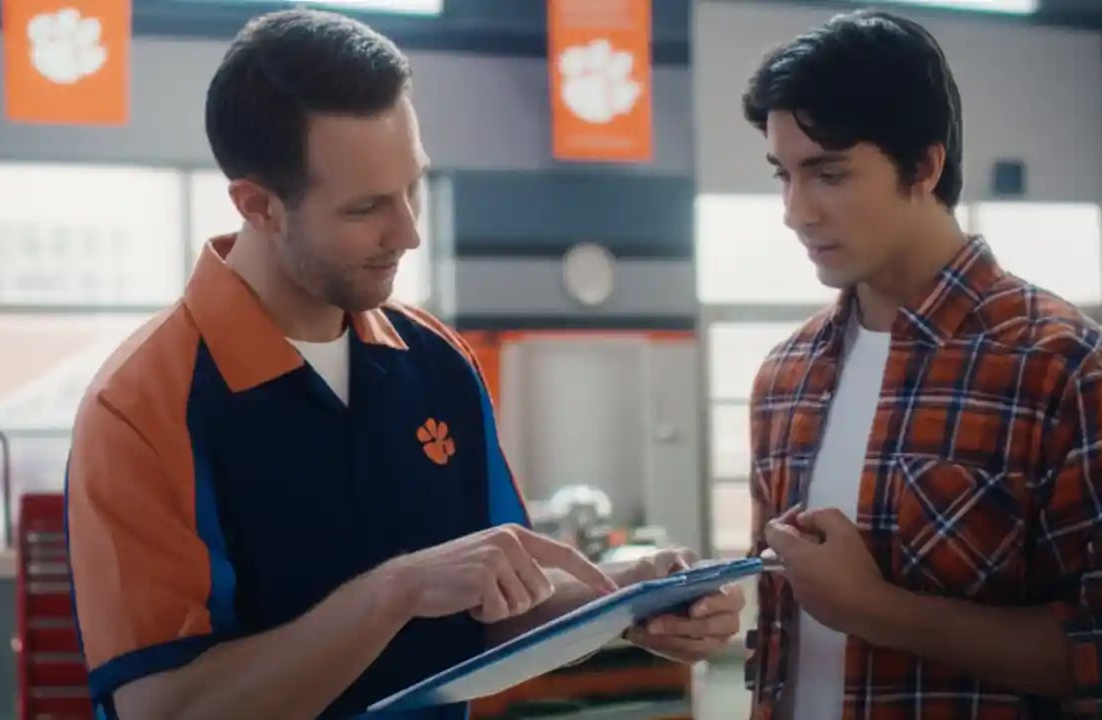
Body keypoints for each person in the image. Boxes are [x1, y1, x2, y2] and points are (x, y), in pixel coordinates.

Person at [64, 9, 744, 720]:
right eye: (366, 209)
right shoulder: (142, 405)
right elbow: (163, 709)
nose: (410, 231)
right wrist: (391, 594)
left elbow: (496, 610)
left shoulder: (435, 363)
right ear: (258, 205)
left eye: (413, 187)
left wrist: (626, 597)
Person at [739, 9, 1102, 720]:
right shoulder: (784, 379)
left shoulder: (1058, 367)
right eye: (784, 175)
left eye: (829, 174)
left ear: (926, 167)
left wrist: (876, 611)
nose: (794, 210)